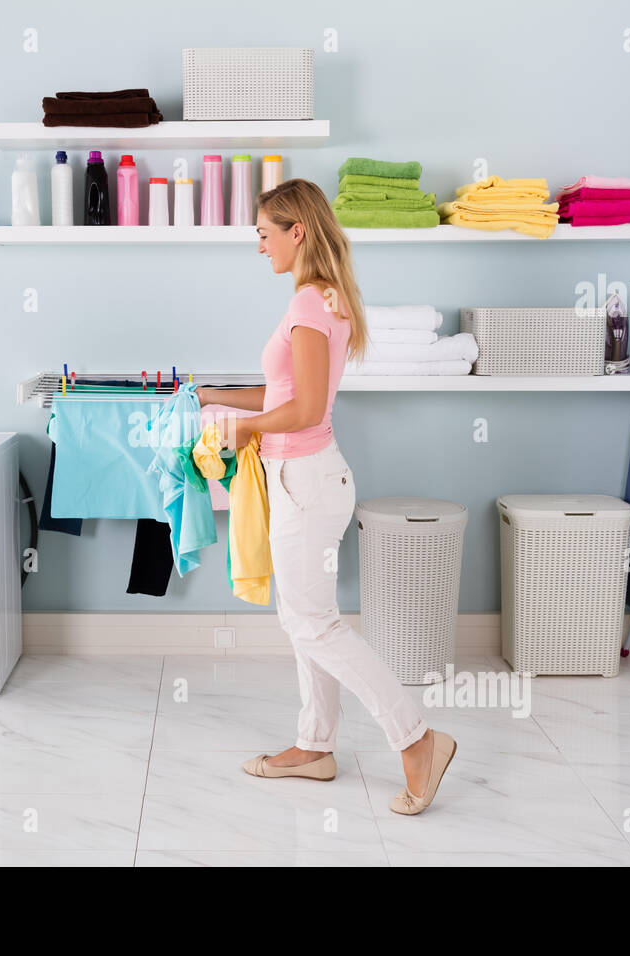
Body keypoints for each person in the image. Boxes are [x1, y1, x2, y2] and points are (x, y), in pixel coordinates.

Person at [195, 179, 457, 814]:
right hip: (307, 479)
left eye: (263, 234)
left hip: (306, 480)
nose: (259, 247)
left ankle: (418, 739)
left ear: (297, 231)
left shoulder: (311, 304)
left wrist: (239, 426)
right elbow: (287, 396)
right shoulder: (320, 298)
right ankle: (314, 747)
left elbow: (306, 410)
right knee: (304, 620)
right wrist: (215, 397)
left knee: (316, 623)